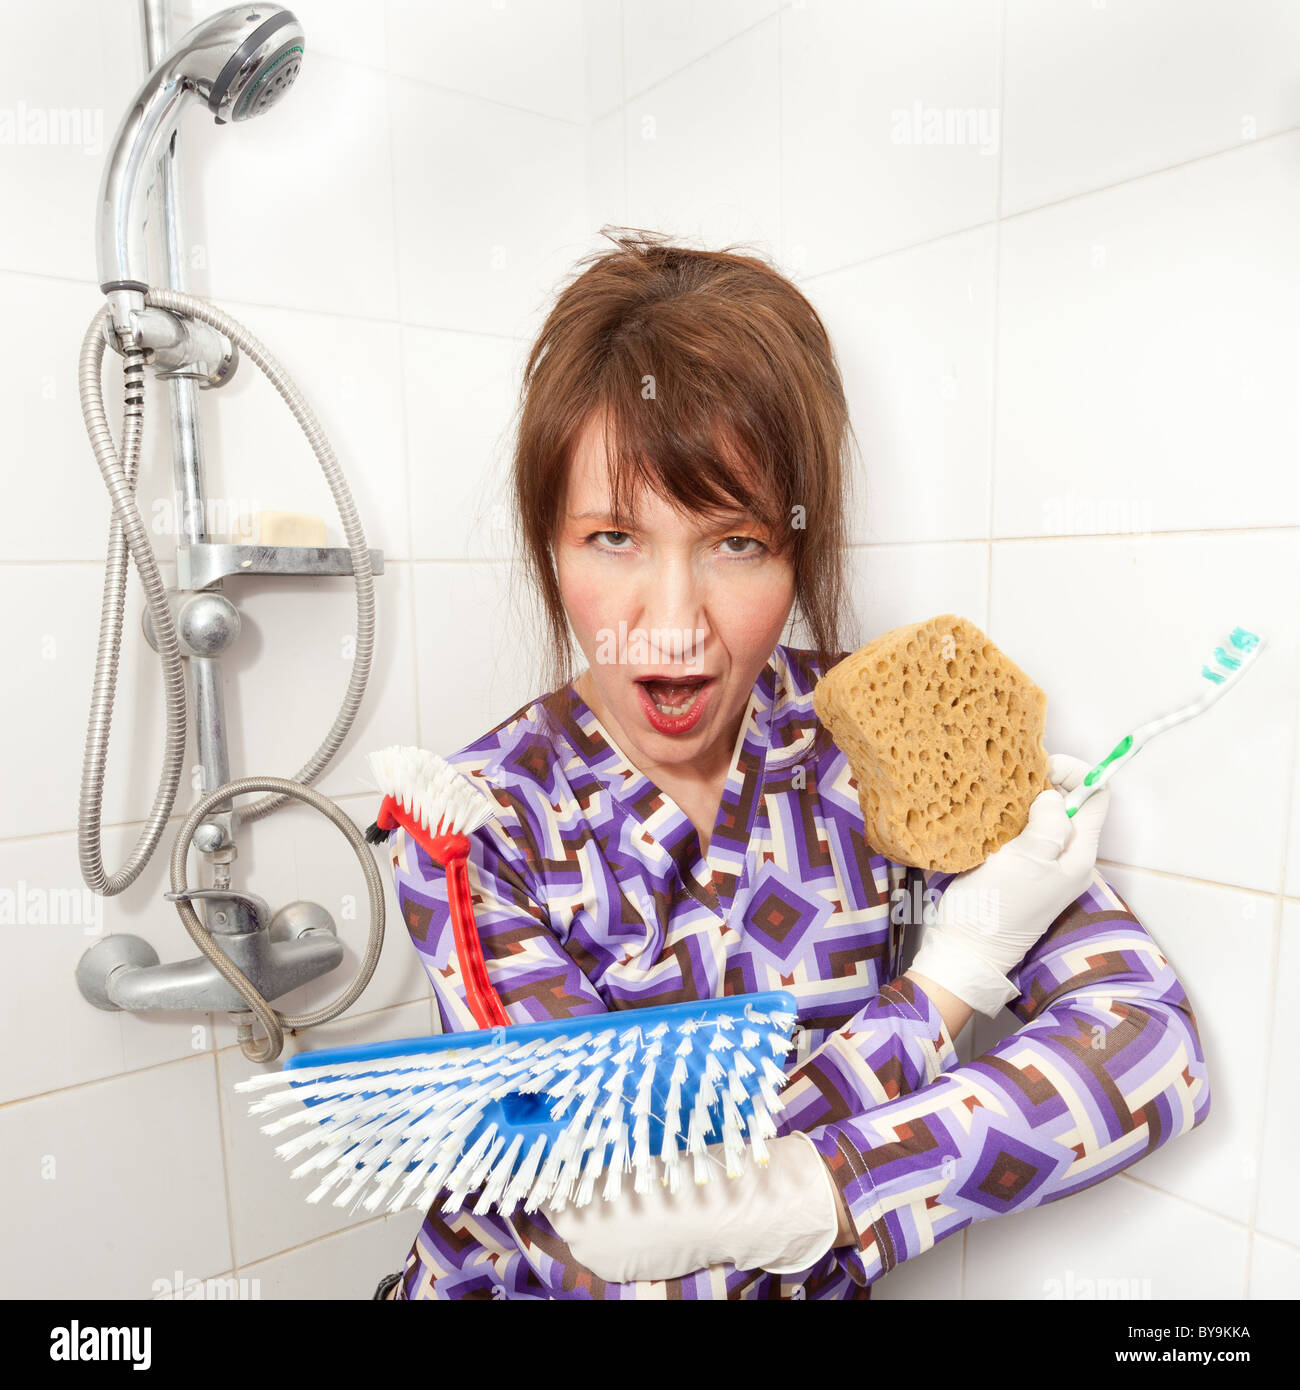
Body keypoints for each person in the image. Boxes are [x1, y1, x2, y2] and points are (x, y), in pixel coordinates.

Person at [371, 228, 1210, 1300]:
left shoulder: (884, 734)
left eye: (737, 543)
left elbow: (1149, 1050)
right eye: (613, 538)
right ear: (547, 541)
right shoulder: (475, 827)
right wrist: (951, 982)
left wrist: (832, 1184)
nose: (671, 626)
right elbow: (622, 1237)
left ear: (799, 548)